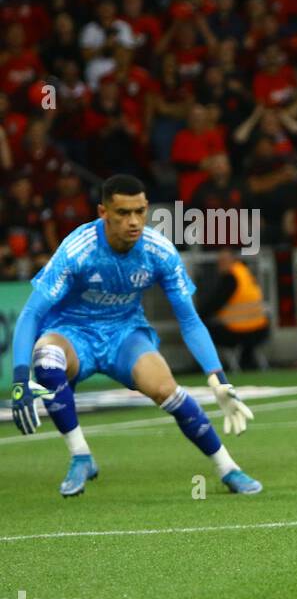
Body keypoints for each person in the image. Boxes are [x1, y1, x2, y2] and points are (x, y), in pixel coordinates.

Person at [8, 174, 262, 496]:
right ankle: (81, 456)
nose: (134, 222)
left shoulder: (159, 252)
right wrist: (20, 379)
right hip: (73, 333)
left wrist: (218, 377)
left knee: (167, 390)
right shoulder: (78, 249)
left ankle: (228, 468)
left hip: (125, 335)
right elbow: (32, 314)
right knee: (46, 356)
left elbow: (190, 320)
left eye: (140, 211)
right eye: (123, 213)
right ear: (103, 213)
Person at [198, 247, 272, 373]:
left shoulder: (230, 278)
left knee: (199, 328)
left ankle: (205, 366)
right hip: (260, 329)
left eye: (223, 260)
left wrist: (195, 315)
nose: (220, 264)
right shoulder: (244, 272)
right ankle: (247, 359)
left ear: (232, 260)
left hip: (237, 332)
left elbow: (214, 304)